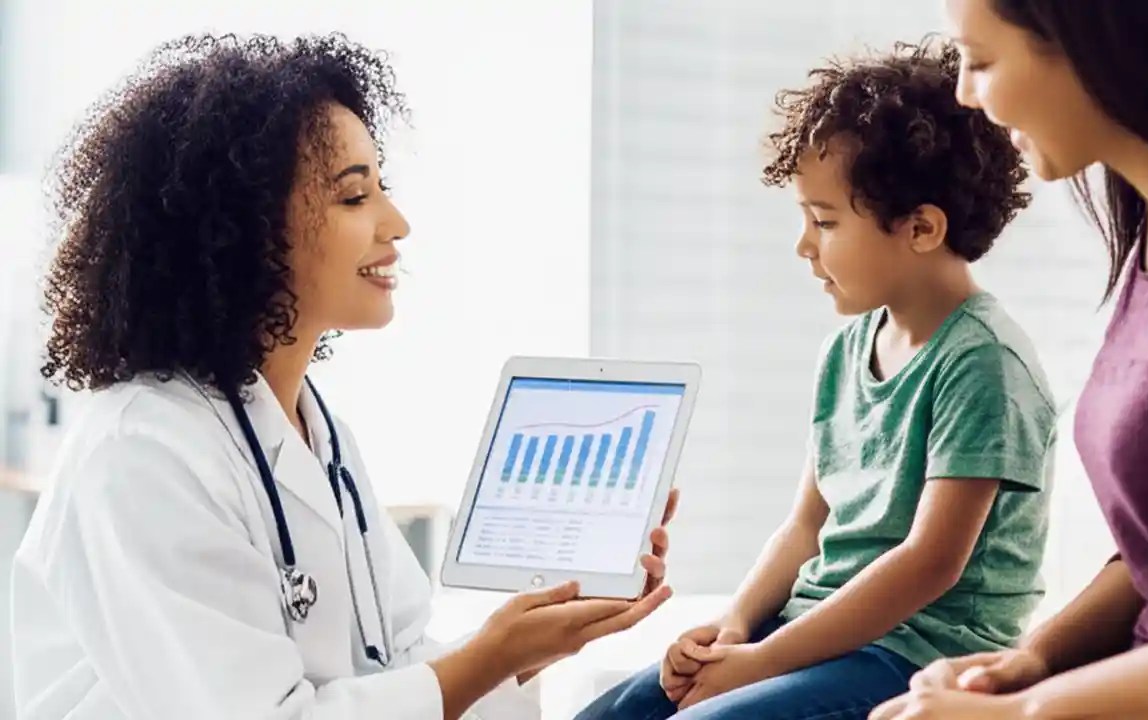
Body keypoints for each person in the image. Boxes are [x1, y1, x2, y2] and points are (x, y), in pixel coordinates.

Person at [10, 33, 675, 720]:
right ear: (244, 227)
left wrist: (537, 639)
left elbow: (401, 665)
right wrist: (494, 655)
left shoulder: (315, 434)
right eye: (355, 197)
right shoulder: (142, 452)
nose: (397, 224)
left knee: (666, 695)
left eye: (382, 189)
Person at [575, 39, 1056, 720]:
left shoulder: (984, 363)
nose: (803, 246)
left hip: (915, 655)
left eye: (824, 221)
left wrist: (763, 663)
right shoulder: (846, 350)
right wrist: (734, 628)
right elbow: (805, 525)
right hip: (815, 632)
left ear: (921, 228)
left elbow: (929, 563)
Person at [871, 2, 1148, 719]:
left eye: (982, 59)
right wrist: (1034, 661)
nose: (966, 92)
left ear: (1091, 42)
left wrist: (1027, 713)